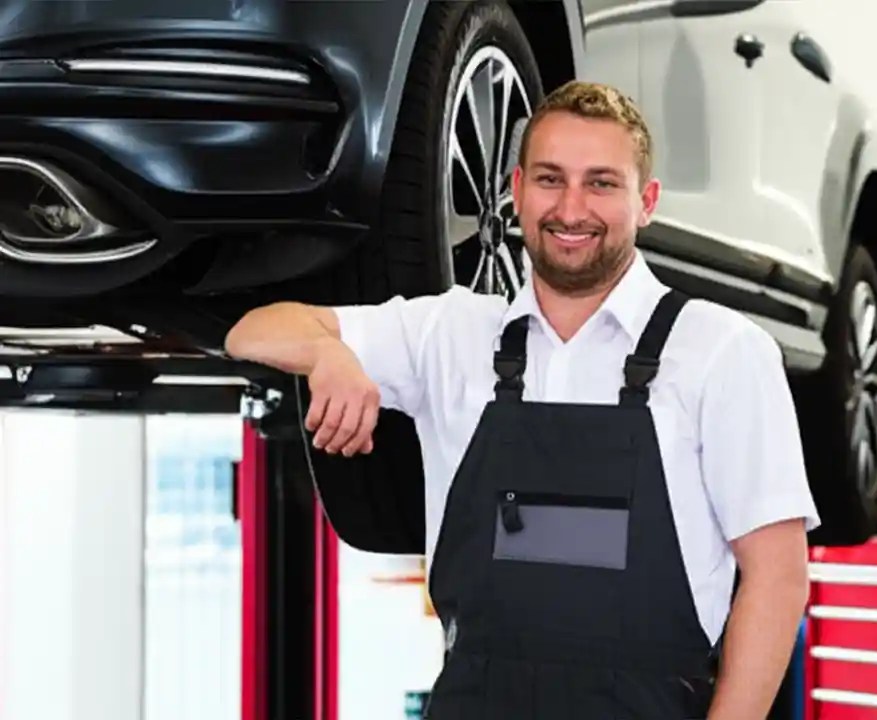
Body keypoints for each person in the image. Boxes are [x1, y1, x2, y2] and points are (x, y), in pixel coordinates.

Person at [224, 80, 819, 720]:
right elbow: (250, 330)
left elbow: (778, 577)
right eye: (550, 179)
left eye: (601, 183)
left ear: (646, 201)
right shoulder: (450, 333)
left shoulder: (723, 351)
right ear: (516, 190)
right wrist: (327, 354)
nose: (571, 208)